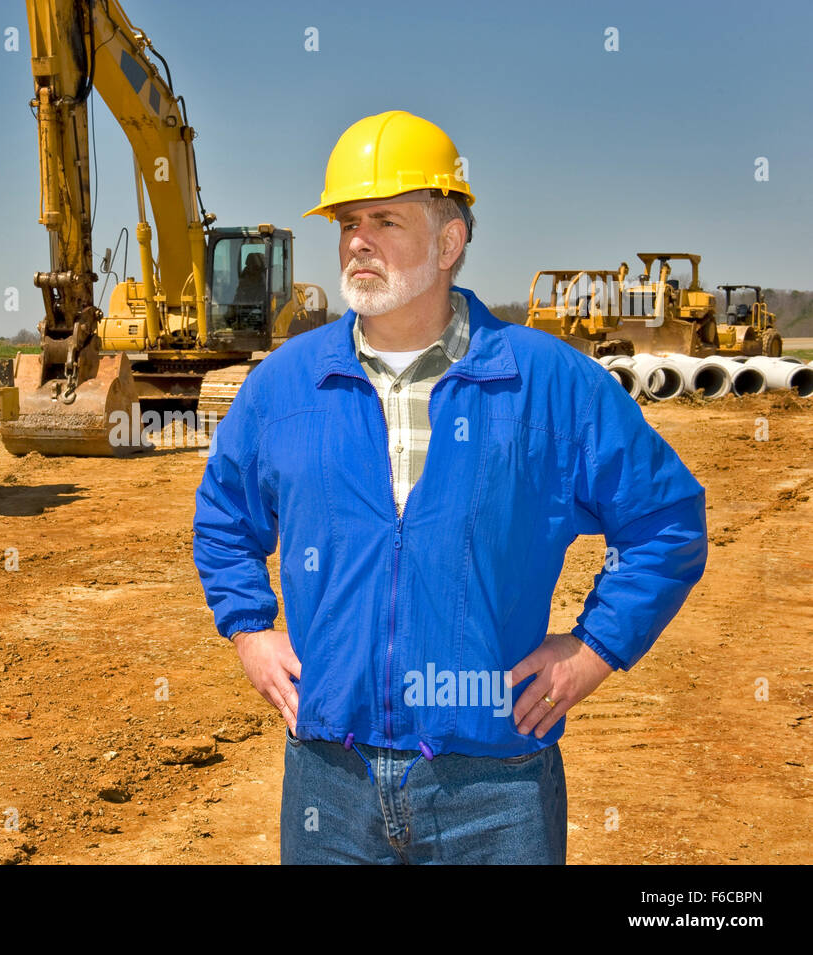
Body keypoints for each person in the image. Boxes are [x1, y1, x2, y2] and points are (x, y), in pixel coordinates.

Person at [191, 110, 708, 864]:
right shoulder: (284, 386)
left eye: (385, 220)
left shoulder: (549, 384)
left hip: (494, 787)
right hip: (329, 783)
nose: (358, 240)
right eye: (348, 222)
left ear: (449, 242)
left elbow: (667, 521)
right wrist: (249, 629)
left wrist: (593, 649)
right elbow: (223, 520)